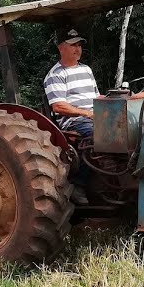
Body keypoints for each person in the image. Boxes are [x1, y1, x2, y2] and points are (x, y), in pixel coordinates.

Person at [43, 27, 98, 204]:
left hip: (93, 116)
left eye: (80, 45)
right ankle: (78, 184)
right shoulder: (56, 75)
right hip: (73, 121)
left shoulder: (87, 70)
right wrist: (87, 114)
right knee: (97, 135)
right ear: (61, 48)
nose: (78, 49)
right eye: (73, 45)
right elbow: (59, 106)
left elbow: (97, 97)